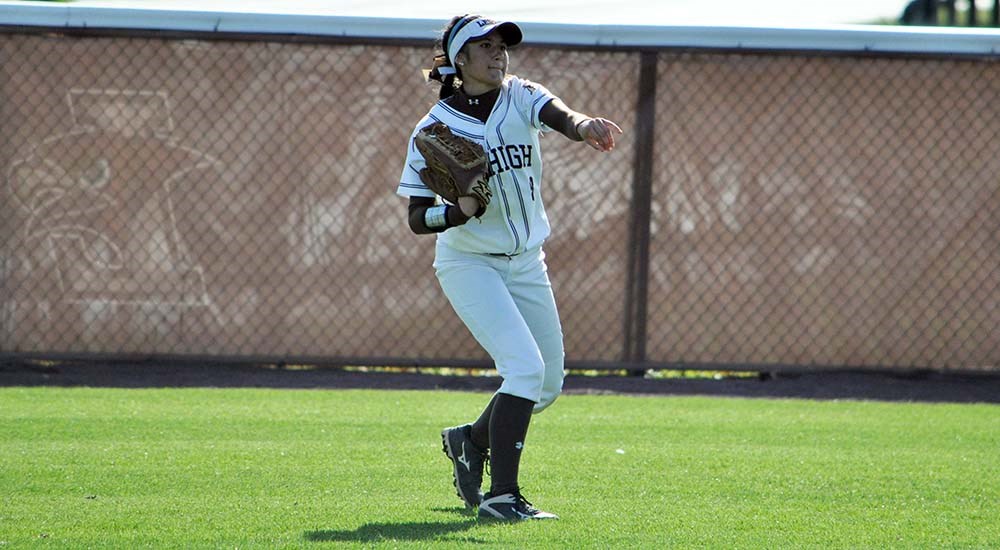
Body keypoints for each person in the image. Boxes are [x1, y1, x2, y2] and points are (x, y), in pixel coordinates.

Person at [396, 14, 622, 521]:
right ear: (460, 60)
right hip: (469, 262)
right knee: (524, 370)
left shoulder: (521, 95)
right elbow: (416, 218)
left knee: (545, 386)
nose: (499, 54)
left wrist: (585, 126)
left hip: (526, 262)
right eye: (486, 46)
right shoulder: (433, 129)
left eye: (503, 45)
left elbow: (561, 115)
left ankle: (468, 442)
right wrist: (457, 212)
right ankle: (502, 498)